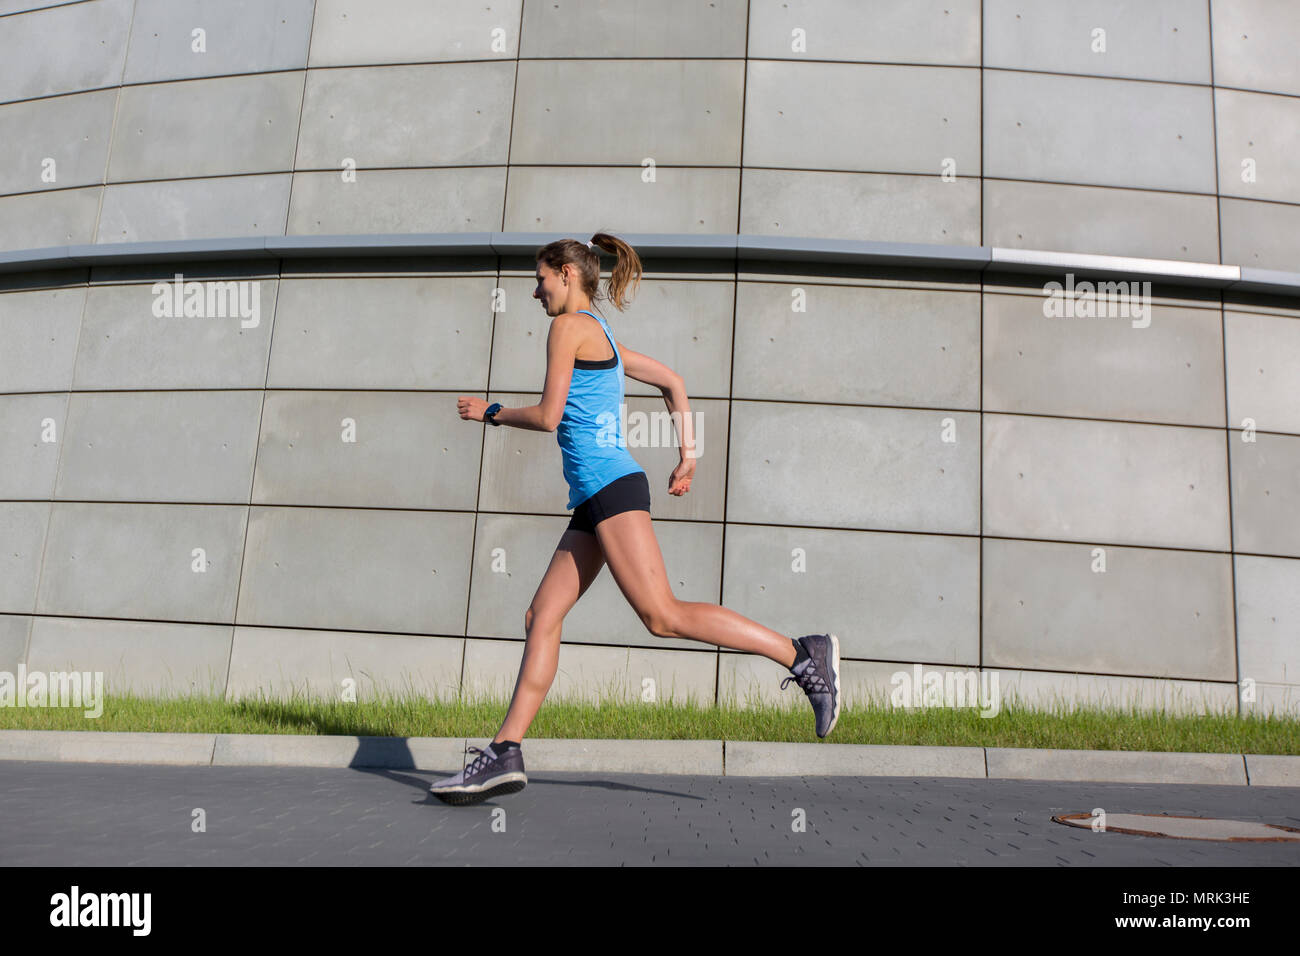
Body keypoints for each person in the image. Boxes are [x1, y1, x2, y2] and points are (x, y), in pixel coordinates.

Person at [430, 233, 840, 805]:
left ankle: (802, 655)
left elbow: (550, 417)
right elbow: (674, 381)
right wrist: (689, 453)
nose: (535, 291)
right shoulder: (606, 336)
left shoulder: (570, 328)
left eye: (541, 278)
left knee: (662, 614)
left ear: (567, 275)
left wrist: (492, 412)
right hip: (598, 495)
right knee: (541, 614)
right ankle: (506, 752)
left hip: (611, 487)